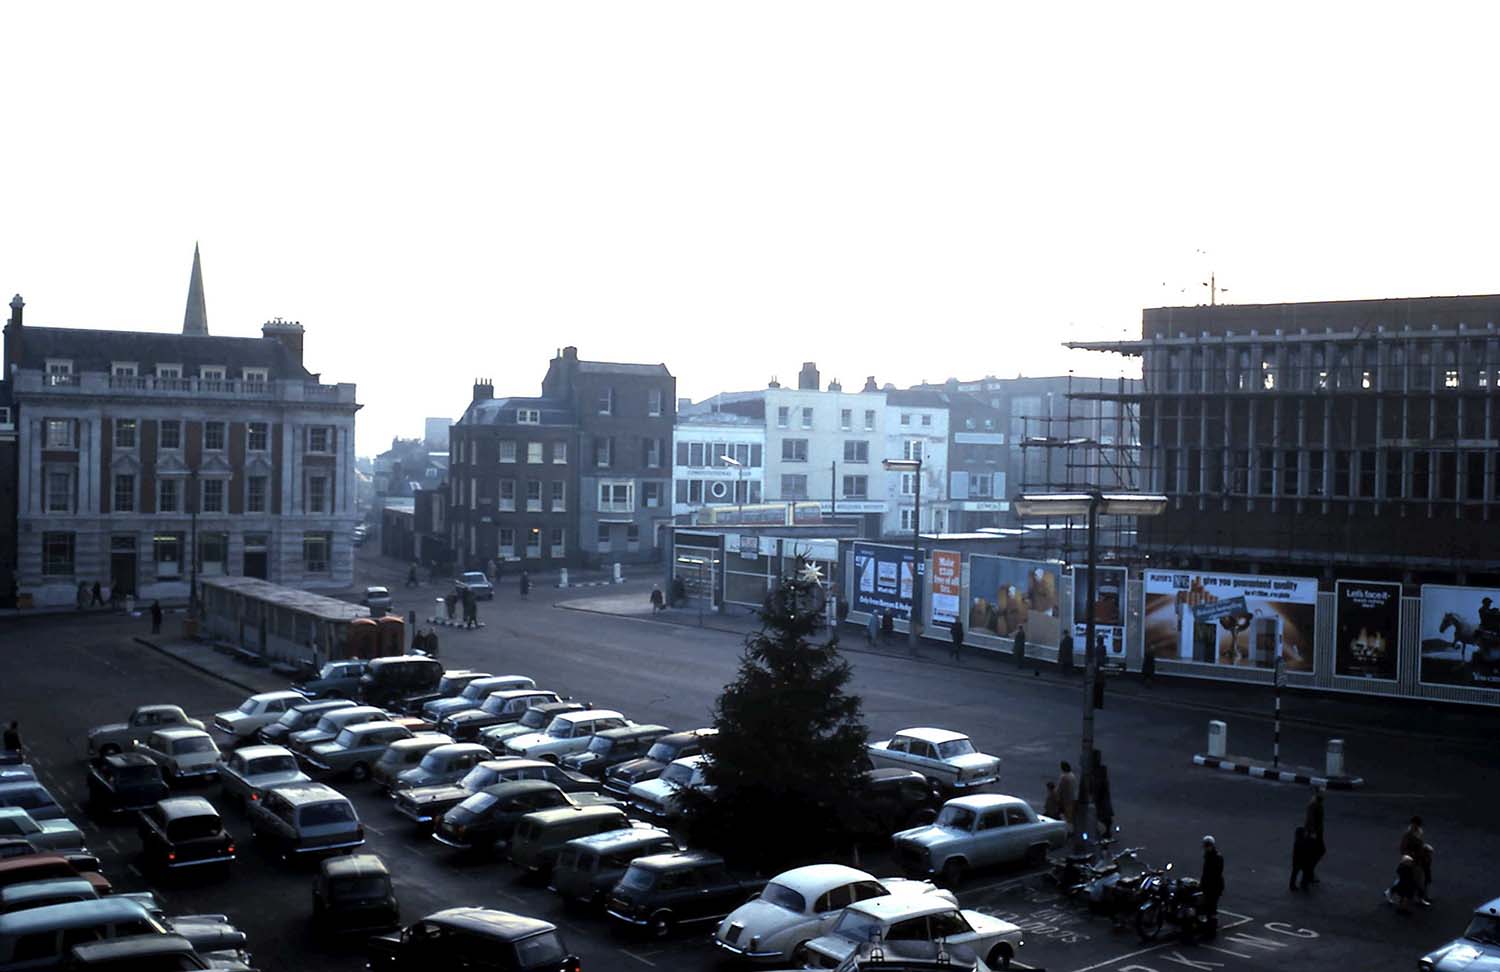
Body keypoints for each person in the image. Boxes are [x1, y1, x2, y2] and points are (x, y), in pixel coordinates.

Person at [1399, 816, 1433, 904]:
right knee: (1413, 880)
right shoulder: (1408, 834)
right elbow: (1403, 848)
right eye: (1415, 825)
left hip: (1420, 859)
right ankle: (1418, 898)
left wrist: (1425, 847)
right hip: (1413, 861)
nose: (1416, 827)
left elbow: (1420, 844)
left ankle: (1421, 897)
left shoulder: (1419, 831)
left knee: (1419, 879)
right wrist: (1411, 855)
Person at [1200, 836, 1225, 937]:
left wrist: (1206, 883)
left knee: (1211, 908)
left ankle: (1211, 930)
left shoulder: (1216, 857)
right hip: (1210, 885)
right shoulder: (1209, 855)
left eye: (1208, 846)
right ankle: (1209, 927)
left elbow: (1214, 874)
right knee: (1208, 907)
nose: (1206, 848)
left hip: (1214, 886)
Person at [1303, 788, 1326, 884]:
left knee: (1316, 852)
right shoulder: (1313, 805)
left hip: (1317, 833)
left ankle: (1309, 872)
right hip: (1314, 834)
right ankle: (1309, 873)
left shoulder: (1318, 804)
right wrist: (1313, 833)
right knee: (1318, 851)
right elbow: (1310, 819)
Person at [1091, 749, 1114, 837]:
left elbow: (1099, 783)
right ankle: (1103, 829)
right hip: (1102, 796)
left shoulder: (1099, 770)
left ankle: (1105, 830)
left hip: (1101, 796)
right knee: (1102, 814)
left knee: (1102, 814)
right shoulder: (1101, 769)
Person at [1056, 761, 1078, 831]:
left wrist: (1057, 798)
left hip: (1067, 799)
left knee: (1068, 816)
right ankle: (1073, 829)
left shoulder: (1064, 777)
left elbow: (1059, 789)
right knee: (1071, 816)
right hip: (1074, 798)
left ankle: (1069, 831)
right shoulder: (1072, 775)